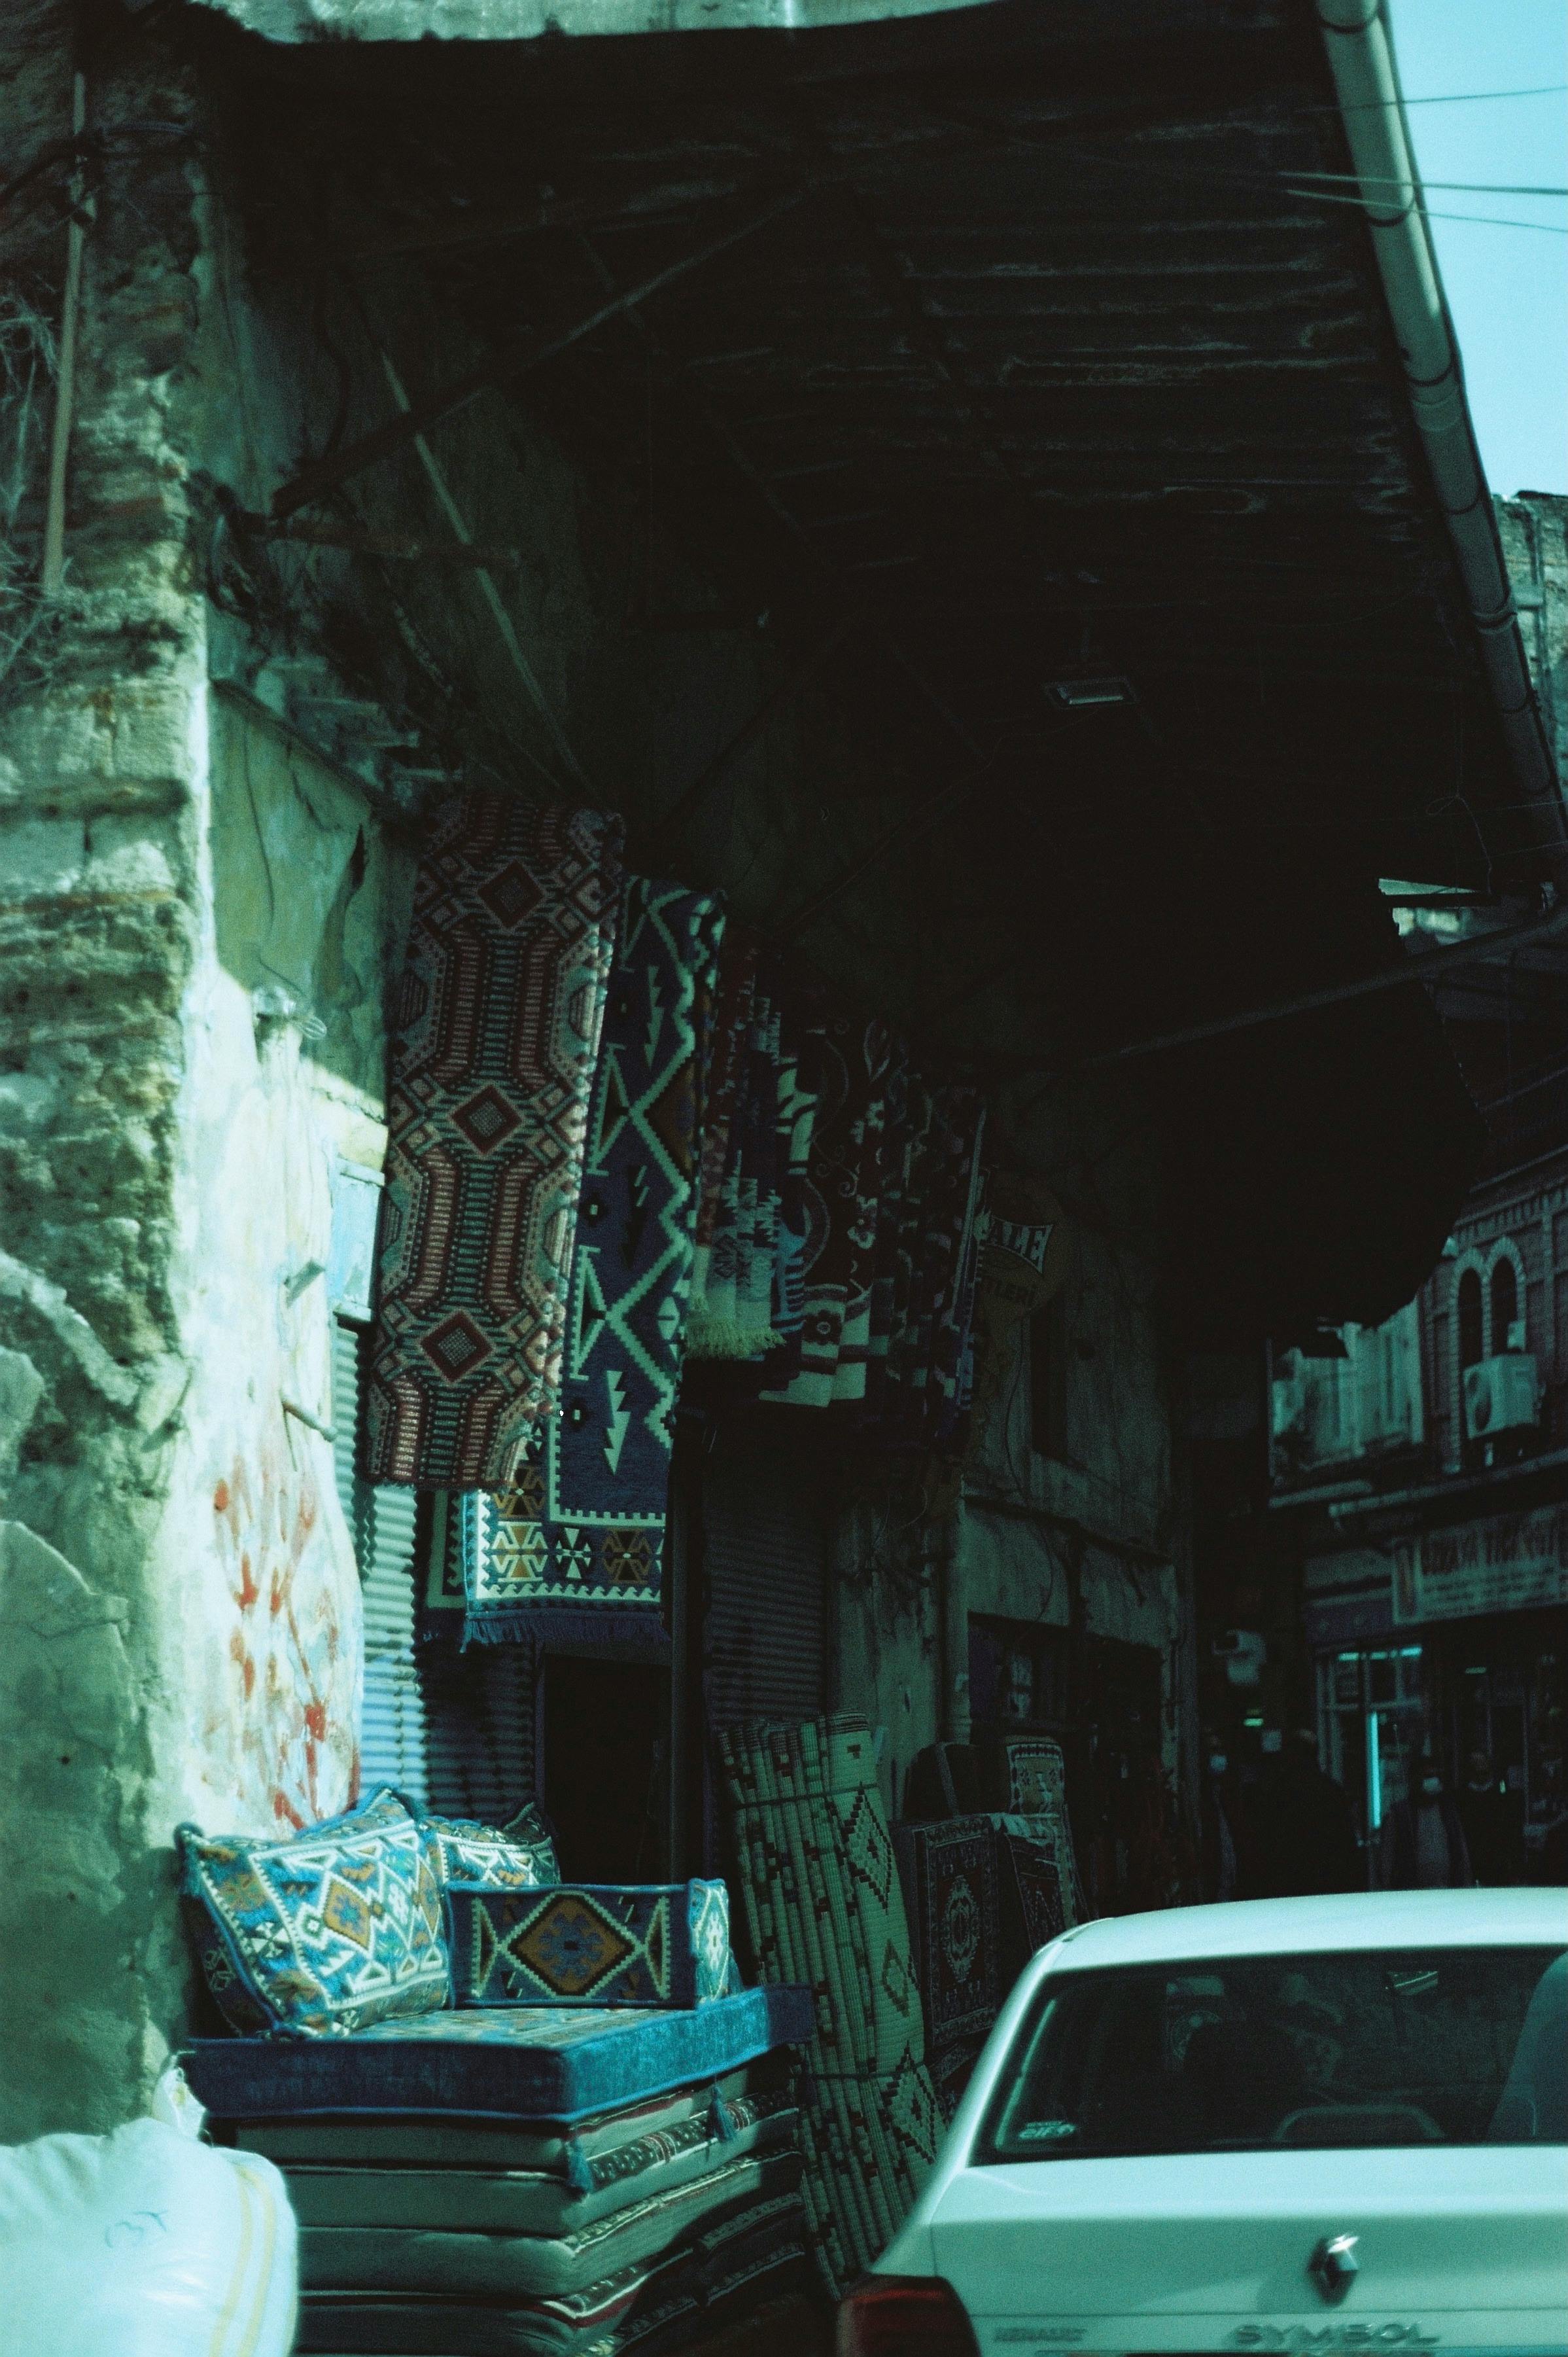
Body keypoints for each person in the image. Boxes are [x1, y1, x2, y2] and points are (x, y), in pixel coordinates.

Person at [1246, 1727, 1363, 1898]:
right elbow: (1345, 1842)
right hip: (1327, 1880)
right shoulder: (1331, 1791)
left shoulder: (1278, 1793)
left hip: (1288, 1881)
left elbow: (1267, 1842)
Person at [1379, 1750, 1473, 1888]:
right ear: (1416, 1780)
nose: (1433, 1781)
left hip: (1448, 1887)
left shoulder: (1448, 1811)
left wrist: (1466, 1882)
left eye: (1436, 1776)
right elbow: (1388, 1855)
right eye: (1428, 1776)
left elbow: (1461, 1850)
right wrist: (1387, 1885)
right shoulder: (1401, 1813)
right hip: (1412, 1889)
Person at [1455, 1750, 1522, 1886]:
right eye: (1475, 1763)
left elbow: (1509, 1823)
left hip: (1498, 1852)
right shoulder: (1464, 1795)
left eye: (1482, 1762)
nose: (1480, 1767)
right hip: (1474, 1851)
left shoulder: (1499, 1791)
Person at [1198, 1729, 1245, 1903]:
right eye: (1213, 1751)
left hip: (1229, 1884)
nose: (1219, 1758)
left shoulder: (1227, 1797)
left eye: (1220, 1751)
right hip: (1215, 1887)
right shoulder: (1202, 1800)